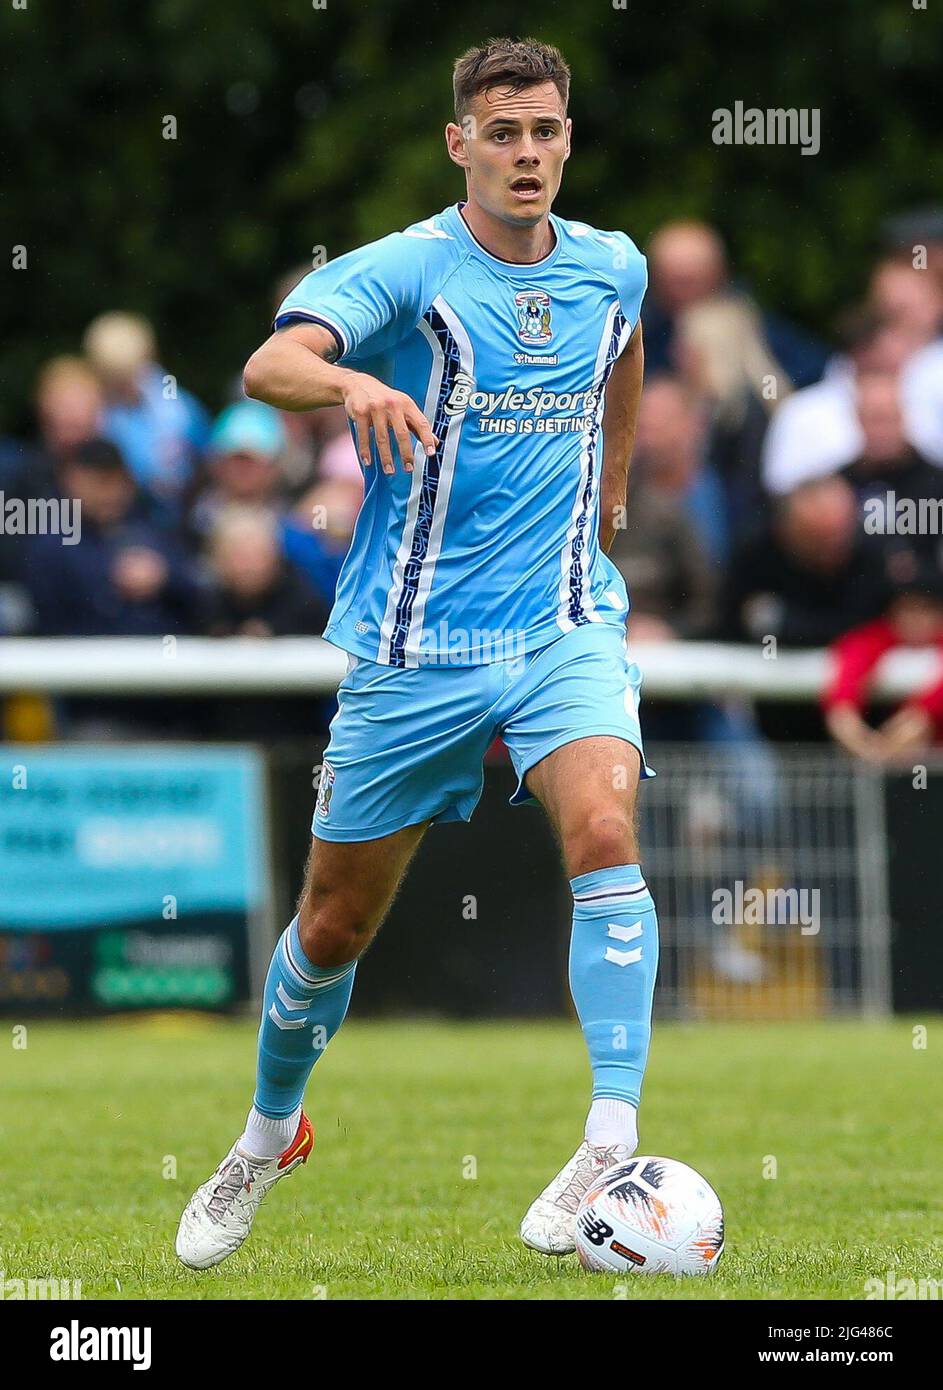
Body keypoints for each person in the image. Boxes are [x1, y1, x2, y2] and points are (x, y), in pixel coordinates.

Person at [176, 36, 662, 1270]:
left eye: (545, 131)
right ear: (461, 145)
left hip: (564, 625)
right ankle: (268, 1131)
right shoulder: (408, 267)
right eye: (502, 134)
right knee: (332, 927)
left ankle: (611, 1136)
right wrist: (349, 390)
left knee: (606, 831)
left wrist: (610, 515)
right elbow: (269, 361)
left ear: (566, 137)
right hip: (415, 650)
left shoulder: (613, 267)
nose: (528, 154)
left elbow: (624, 365)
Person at [823, 570, 943, 764]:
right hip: (878, 766)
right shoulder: (872, 639)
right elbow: (842, 702)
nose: (915, 619)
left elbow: (918, 722)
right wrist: (867, 747)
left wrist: (920, 715)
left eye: (925, 609)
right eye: (906, 609)